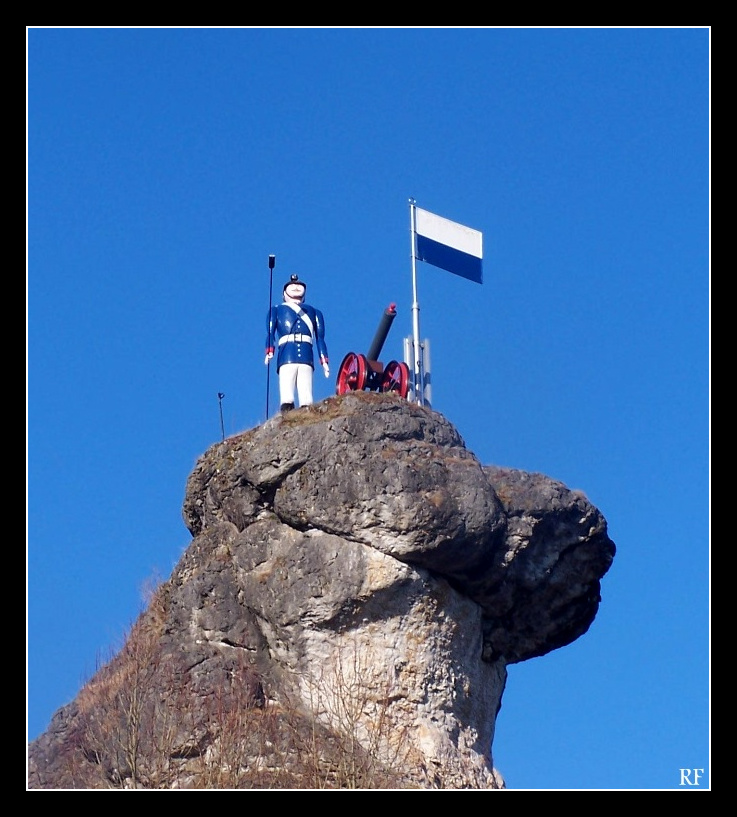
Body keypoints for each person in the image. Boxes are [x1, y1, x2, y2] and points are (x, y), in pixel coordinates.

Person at [265, 274, 330, 412]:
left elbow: (320, 338)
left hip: (307, 355)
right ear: (284, 292)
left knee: (306, 392)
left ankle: (306, 412)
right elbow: (270, 333)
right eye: (292, 285)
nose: (295, 287)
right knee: (287, 390)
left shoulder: (314, 312)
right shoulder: (277, 310)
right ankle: (287, 412)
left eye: (299, 285)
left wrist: (324, 361)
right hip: (286, 354)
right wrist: (270, 350)